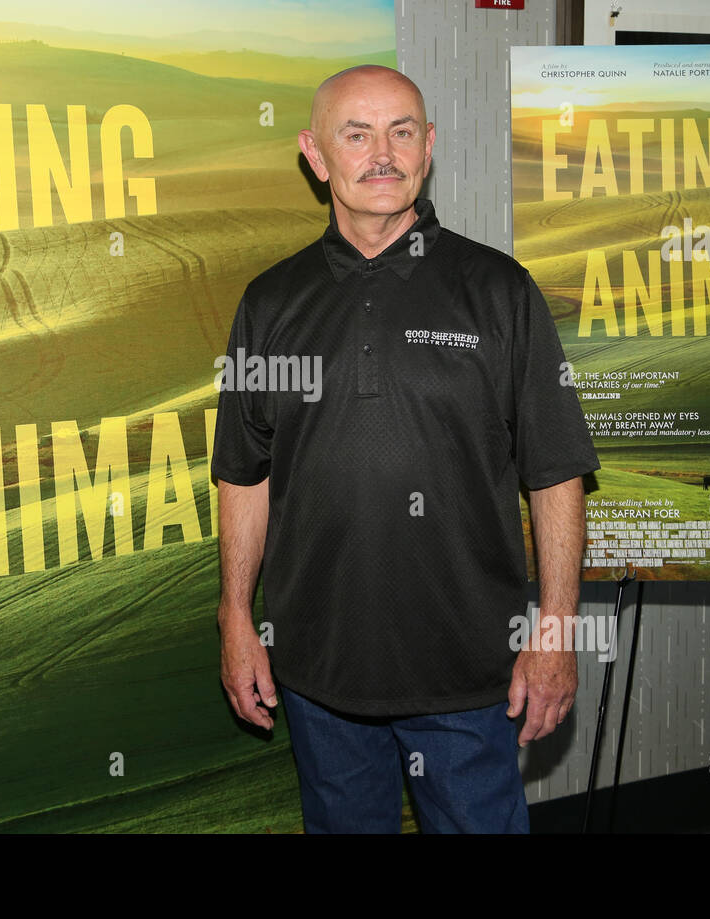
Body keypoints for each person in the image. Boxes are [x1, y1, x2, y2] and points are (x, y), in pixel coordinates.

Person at [211, 65, 599, 833]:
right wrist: (234, 617)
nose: (381, 153)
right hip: (320, 677)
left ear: (429, 147)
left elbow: (556, 474)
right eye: (356, 134)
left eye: (402, 132)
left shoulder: (499, 291)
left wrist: (554, 634)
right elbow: (243, 475)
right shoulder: (270, 303)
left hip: (471, 677)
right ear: (315, 156)